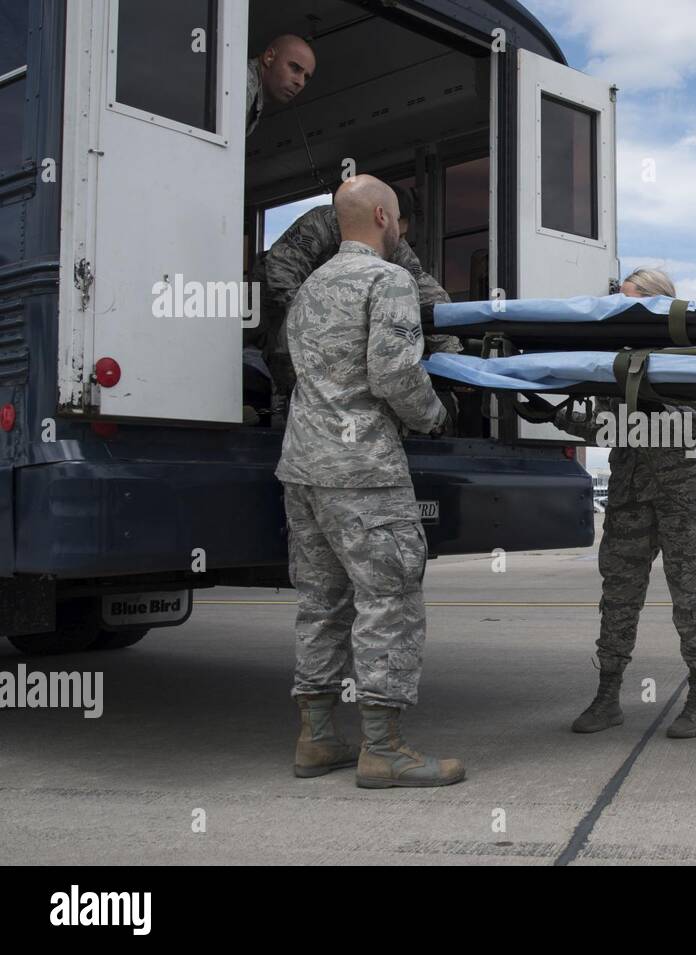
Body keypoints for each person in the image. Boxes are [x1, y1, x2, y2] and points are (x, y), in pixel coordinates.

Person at [276, 174, 463, 789]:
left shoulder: (308, 288)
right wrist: (436, 417)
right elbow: (394, 374)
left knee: (321, 603)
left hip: (303, 465)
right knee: (389, 597)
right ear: (384, 217)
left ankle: (318, 738)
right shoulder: (390, 280)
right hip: (363, 472)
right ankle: (382, 749)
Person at [555, 268, 696, 739]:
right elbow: (601, 426)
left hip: (684, 498)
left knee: (691, 599)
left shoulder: (692, 358)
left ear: (657, 304)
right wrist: (568, 419)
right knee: (618, 597)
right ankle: (608, 697)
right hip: (631, 496)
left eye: (630, 302)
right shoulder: (614, 362)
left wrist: (647, 405)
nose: (620, 311)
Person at [253, 182, 459, 398]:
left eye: (402, 234)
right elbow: (281, 267)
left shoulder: (395, 243)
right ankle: (283, 404)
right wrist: (311, 318)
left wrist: (450, 354)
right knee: (286, 355)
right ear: (382, 217)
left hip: (329, 307)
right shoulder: (320, 224)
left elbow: (425, 289)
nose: (399, 240)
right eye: (398, 231)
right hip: (281, 298)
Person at [246, 35, 316, 135]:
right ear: (269, 57)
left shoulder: (254, 89)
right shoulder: (243, 83)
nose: (300, 82)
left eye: (306, 78)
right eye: (295, 68)